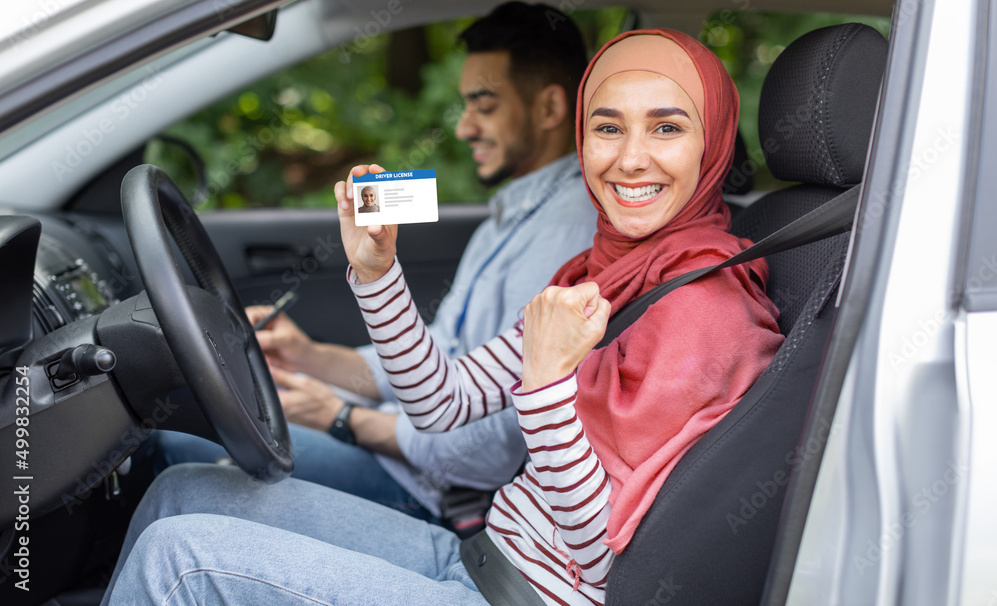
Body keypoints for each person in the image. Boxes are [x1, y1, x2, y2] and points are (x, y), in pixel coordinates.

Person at [104, 28, 785, 606]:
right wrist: (377, 274)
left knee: (177, 557)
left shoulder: (705, 311)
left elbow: (610, 558)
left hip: (535, 595)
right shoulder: (599, 274)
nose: (630, 157)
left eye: (667, 126)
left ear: (712, 143)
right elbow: (439, 401)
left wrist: (547, 386)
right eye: (608, 126)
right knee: (183, 489)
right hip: (483, 558)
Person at [153, 2, 596, 525]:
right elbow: (439, 362)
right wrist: (311, 355)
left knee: (176, 451)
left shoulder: (568, 232)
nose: (463, 128)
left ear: (548, 109)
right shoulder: (510, 214)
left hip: (435, 492)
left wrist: (342, 418)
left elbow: (487, 445)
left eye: (484, 104)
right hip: (401, 448)